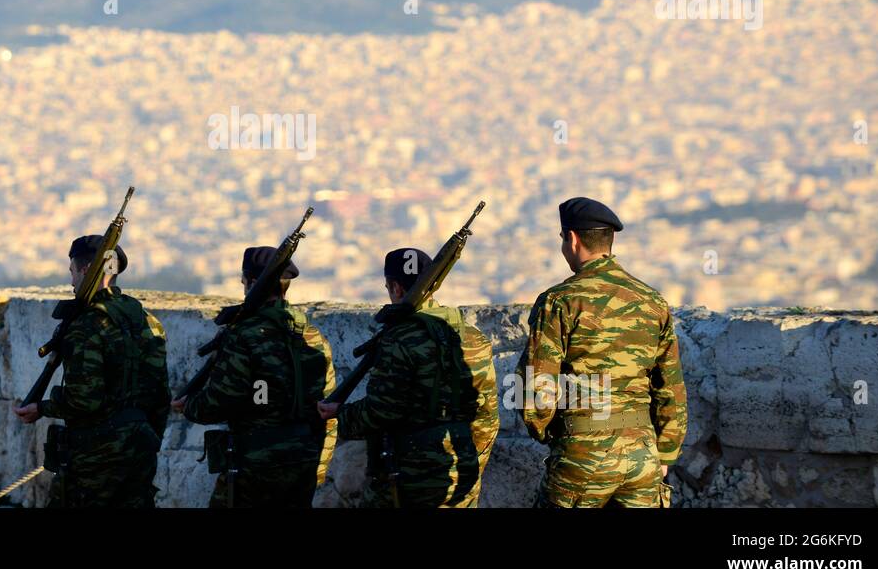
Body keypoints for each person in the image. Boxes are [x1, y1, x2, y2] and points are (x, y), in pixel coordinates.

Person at [517, 197, 687, 507]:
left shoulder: (559, 301)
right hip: (643, 456)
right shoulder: (653, 301)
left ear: (572, 239)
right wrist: (665, 452)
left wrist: (546, 431)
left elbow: (536, 385)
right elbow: (671, 388)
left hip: (582, 454)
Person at [317, 248, 499, 507]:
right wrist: (470, 463)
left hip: (406, 479)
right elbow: (488, 415)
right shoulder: (473, 337)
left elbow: (382, 411)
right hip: (462, 474)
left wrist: (340, 416)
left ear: (395, 288)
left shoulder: (397, 340)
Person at [172, 246, 337, 507]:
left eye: (244, 282)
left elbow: (223, 399)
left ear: (251, 283)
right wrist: (318, 465)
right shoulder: (314, 336)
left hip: (253, 464)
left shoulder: (244, 335)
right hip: (302, 460)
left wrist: (189, 407)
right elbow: (328, 407)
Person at [12, 236, 169, 508]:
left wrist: (43, 408)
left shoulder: (88, 324)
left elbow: (84, 400)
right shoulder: (147, 320)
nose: (72, 282)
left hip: (97, 455)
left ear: (86, 270)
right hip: (140, 448)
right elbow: (161, 394)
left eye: (72, 272)